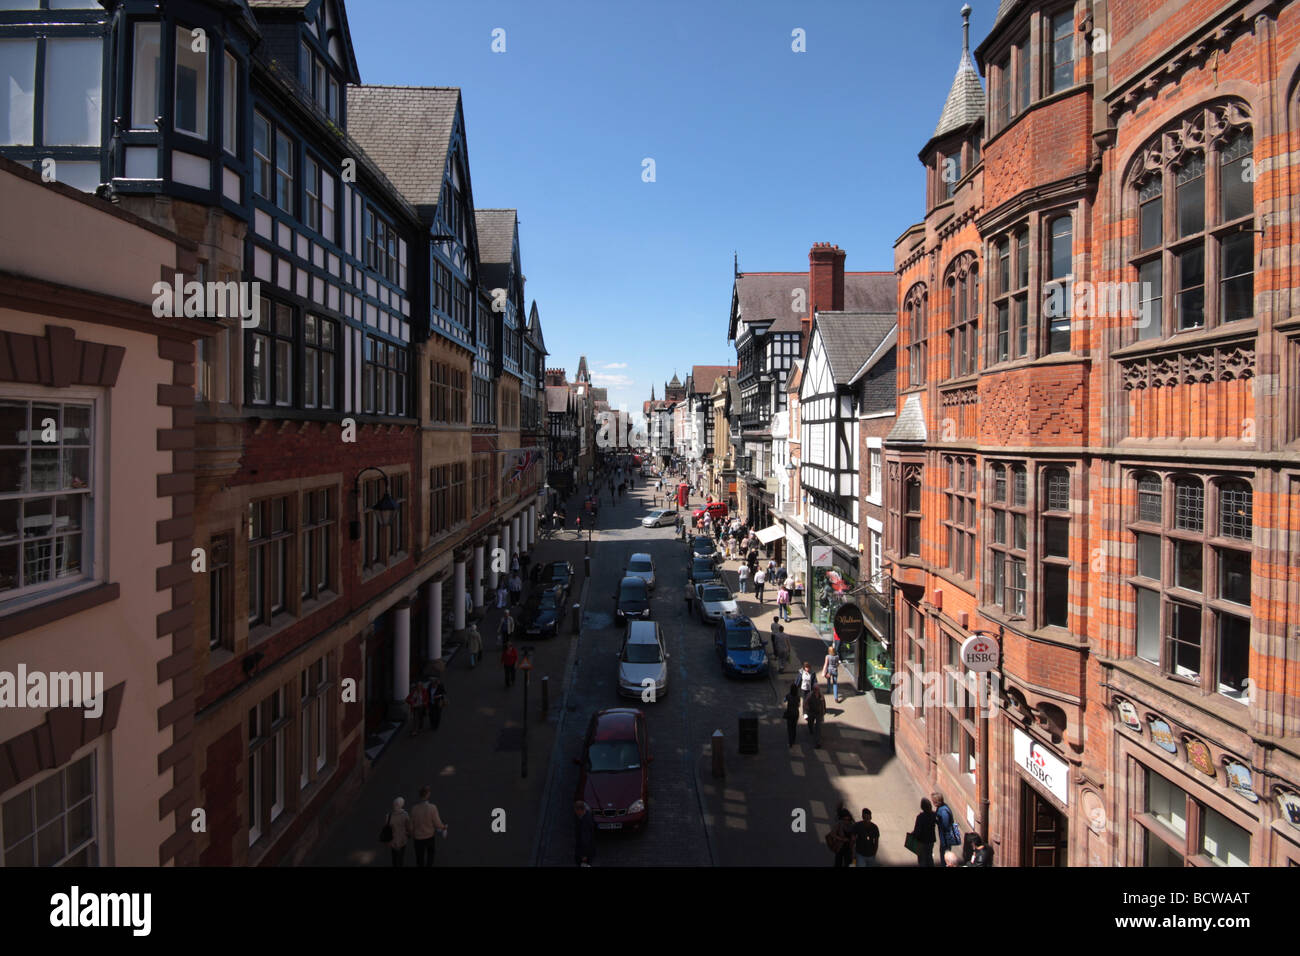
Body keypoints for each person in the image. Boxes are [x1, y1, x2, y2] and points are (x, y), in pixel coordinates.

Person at [409, 786, 448, 866]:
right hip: (429, 836)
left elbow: (411, 825)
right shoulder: (432, 808)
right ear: (427, 795)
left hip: (418, 838)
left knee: (419, 857)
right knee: (430, 854)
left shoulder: (414, 809)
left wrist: (411, 833)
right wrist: (443, 827)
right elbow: (437, 823)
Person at [910, 798, 938, 866]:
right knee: (929, 856)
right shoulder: (933, 815)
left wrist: (912, 835)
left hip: (922, 841)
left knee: (922, 859)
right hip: (931, 840)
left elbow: (917, 830)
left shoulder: (920, 817)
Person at [934, 792, 961, 860]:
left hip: (946, 838)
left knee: (945, 854)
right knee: (944, 853)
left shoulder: (943, 811)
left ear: (937, 802)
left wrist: (937, 821)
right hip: (944, 837)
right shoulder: (942, 807)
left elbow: (945, 825)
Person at [386, 796, 411, 867]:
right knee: (401, 857)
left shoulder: (389, 816)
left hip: (393, 840)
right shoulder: (405, 814)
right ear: (402, 805)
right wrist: (409, 833)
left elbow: (387, 828)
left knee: (394, 857)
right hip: (402, 839)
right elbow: (408, 827)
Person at [804, 681, 826, 747]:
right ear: (813, 689)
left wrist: (823, 711)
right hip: (811, 712)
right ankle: (810, 729)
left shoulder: (821, 696)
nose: (816, 690)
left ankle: (818, 742)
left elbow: (823, 704)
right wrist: (805, 712)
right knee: (810, 722)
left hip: (818, 713)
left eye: (817, 689)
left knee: (818, 728)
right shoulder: (810, 695)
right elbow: (805, 703)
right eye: (815, 689)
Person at [782, 681, 801, 747]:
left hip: (789, 712)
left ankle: (790, 741)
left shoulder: (788, 696)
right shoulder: (798, 697)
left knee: (789, 727)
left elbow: (784, 700)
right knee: (794, 726)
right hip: (796, 713)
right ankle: (793, 739)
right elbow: (799, 705)